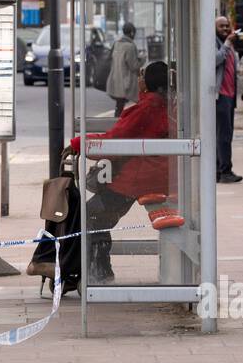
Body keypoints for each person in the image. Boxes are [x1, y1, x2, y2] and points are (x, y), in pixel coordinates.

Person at [64, 60, 172, 285]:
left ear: (150, 82)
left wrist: (78, 144)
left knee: (92, 216)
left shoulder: (148, 108)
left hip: (140, 179)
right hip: (155, 174)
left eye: (142, 75)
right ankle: (98, 271)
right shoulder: (162, 105)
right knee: (96, 214)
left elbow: (114, 141)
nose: (138, 79)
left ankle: (100, 273)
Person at [216, 16, 242, 182]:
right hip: (220, 95)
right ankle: (225, 171)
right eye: (221, 26)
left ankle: (219, 170)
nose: (225, 29)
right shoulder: (215, 42)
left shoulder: (229, 44)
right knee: (223, 135)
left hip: (230, 95)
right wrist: (226, 44)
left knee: (226, 134)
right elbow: (214, 60)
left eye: (227, 26)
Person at [106, 22, 140, 117]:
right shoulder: (129, 46)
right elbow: (133, 66)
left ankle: (117, 125)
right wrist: (142, 59)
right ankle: (119, 126)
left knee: (119, 106)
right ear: (132, 33)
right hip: (125, 82)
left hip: (115, 80)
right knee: (128, 105)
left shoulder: (117, 43)